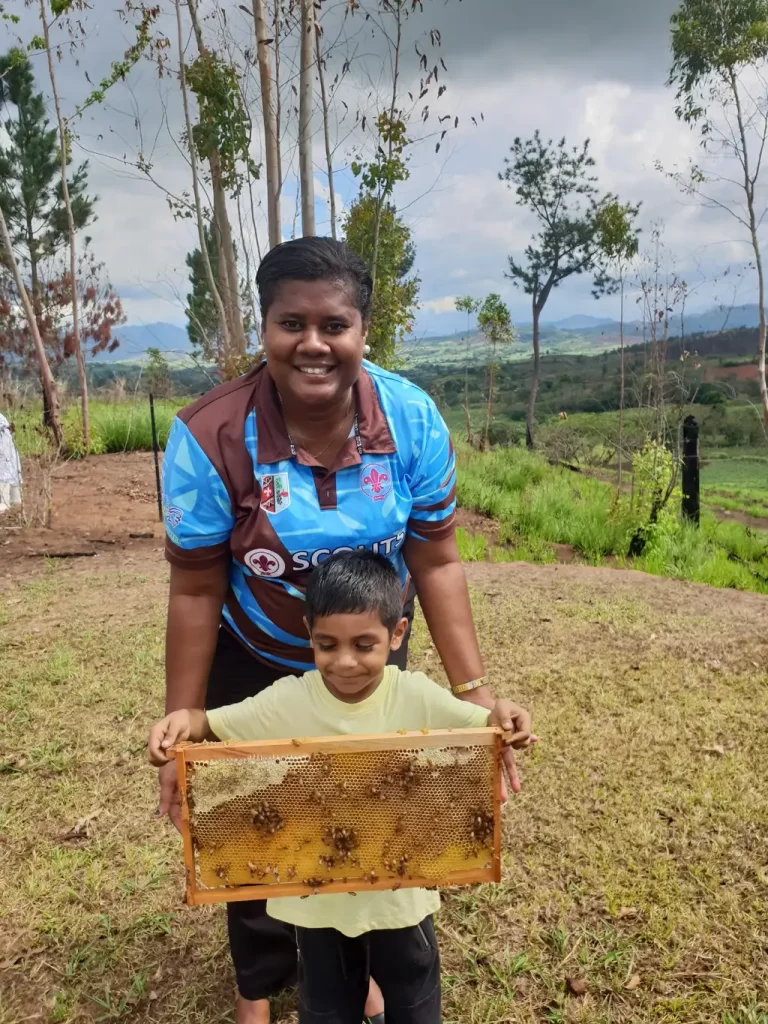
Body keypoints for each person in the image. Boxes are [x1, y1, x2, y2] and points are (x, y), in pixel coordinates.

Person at [159, 236, 532, 1024]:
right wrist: (186, 731)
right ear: (263, 329)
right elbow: (195, 587)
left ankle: (355, 961)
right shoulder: (209, 436)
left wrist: (472, 694)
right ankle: (257, 984)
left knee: (370, 812)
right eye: (291, 322)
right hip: (255, 656)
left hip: (371, 663)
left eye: (335, 323)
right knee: (258, 825)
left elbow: (434, 559)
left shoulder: (412, 419)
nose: (314, 344)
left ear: (364, 330)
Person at [149, 552, 534, 1024]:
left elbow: (485, 725)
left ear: (397, 634)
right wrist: (180, 722)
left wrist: (505, 714)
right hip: (316, 906)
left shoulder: (416, 694)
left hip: (403, 900)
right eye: (327, 645)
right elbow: (209, 723)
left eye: (364, 645)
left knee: (413, 1000)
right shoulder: (287, 699)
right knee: (327, 1007)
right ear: (309, 632)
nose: (345, 661)